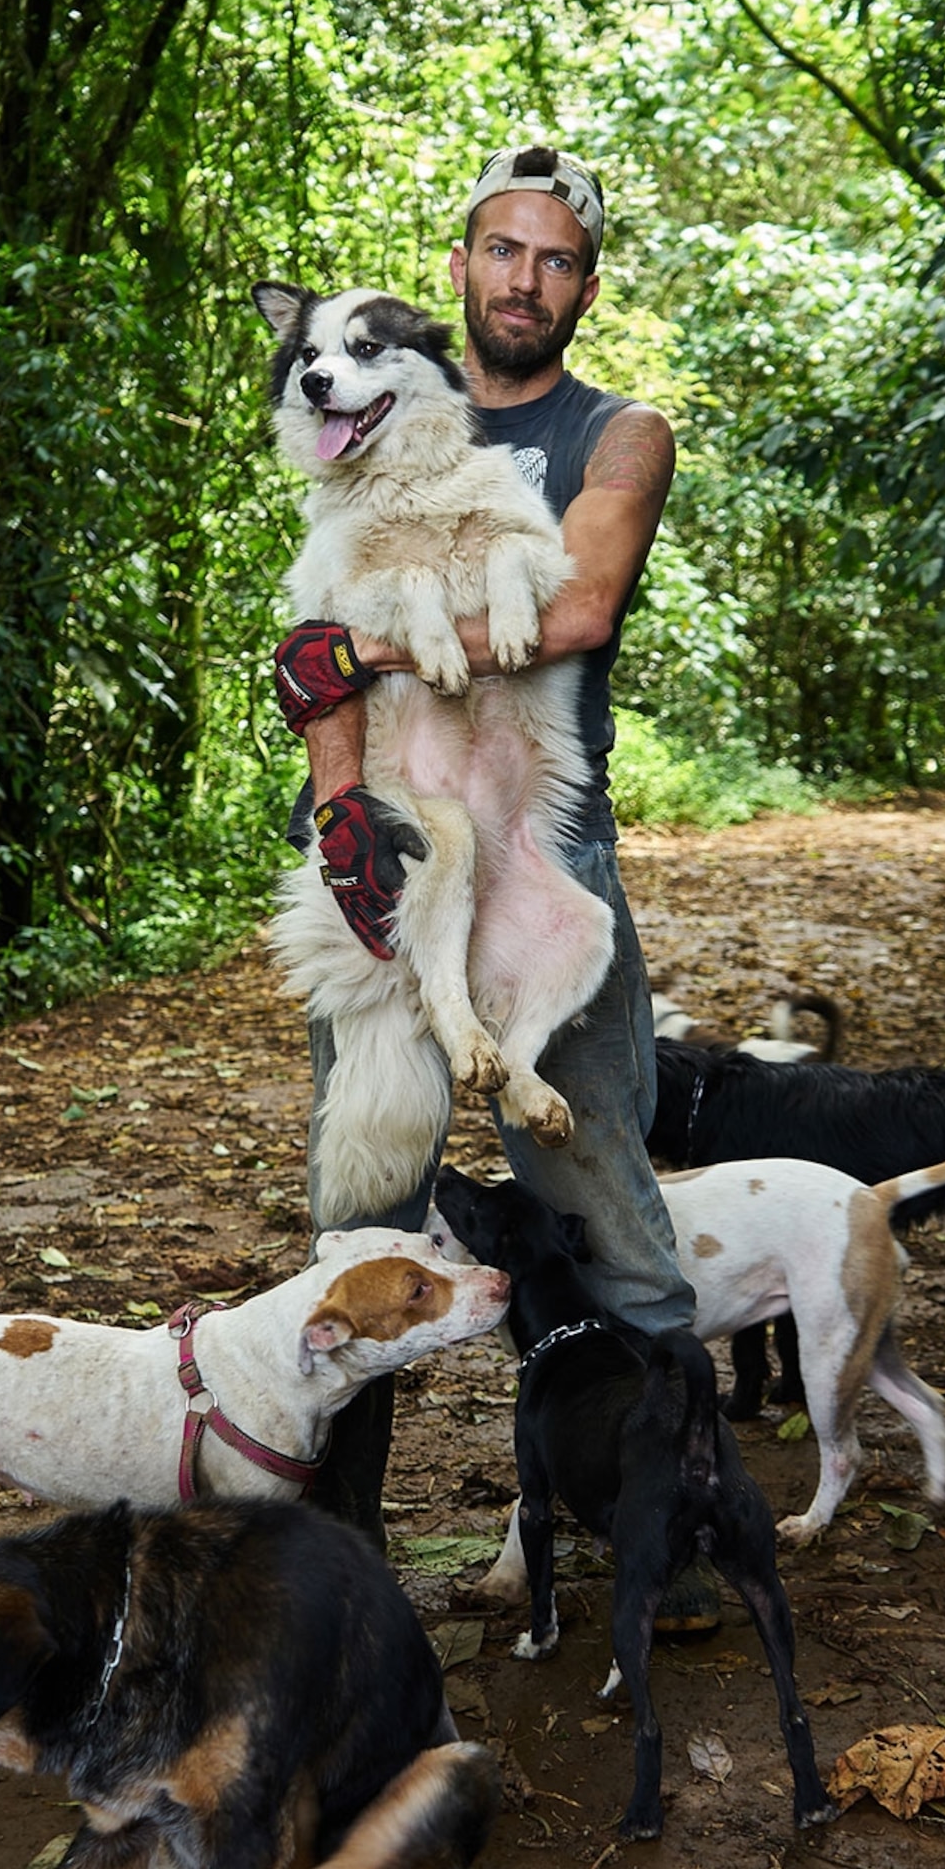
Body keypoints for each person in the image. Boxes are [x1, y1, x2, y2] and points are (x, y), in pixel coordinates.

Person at [269, 146, 697, 1548]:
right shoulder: (371, 412)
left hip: (533, 840)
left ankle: (663, 1525)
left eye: (557, 257)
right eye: (503, 250)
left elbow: (568, 611)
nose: (527, 278)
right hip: (392, 826)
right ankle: (335, 1548)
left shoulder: (617, 433)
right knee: (369, 1207)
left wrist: (368, 645)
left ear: (584, 282)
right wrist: (339, 803)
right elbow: (311, 638)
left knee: (597, 1190)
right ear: (459, 269)